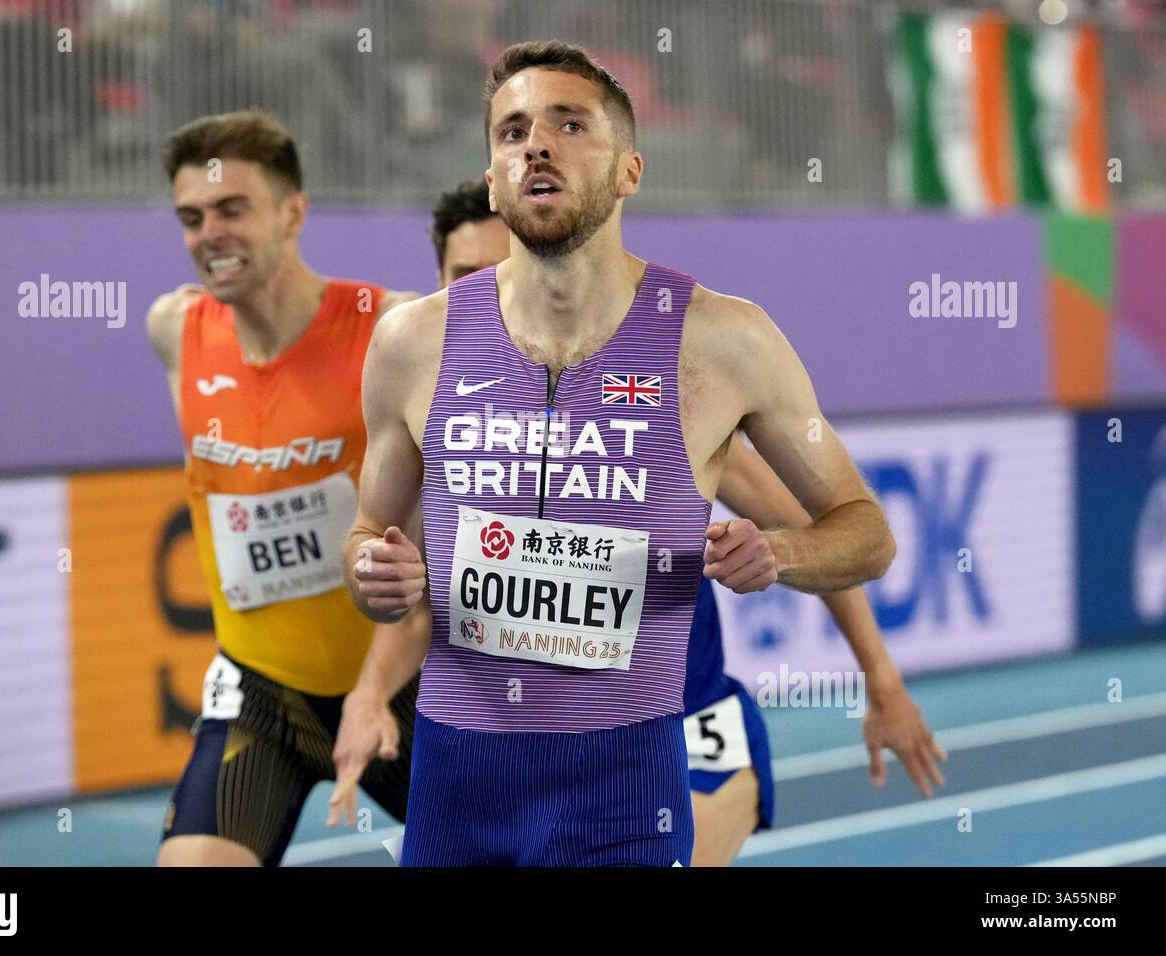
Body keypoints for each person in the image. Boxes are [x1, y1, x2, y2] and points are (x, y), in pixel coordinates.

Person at [343, 42, 898, 867]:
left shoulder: (725, 340)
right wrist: (373, 576)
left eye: (570, 125)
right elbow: (367, 543)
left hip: (622, 790)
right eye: (512, 131)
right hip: (455, 789)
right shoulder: (409, 345)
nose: (537, 145)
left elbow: (867, 534)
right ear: (494, 178)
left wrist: (777, 552)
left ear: (631, 170)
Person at [145, 109, 419, 867]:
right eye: (192, 217)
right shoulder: (174, 331)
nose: (211, 234)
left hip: (402, 685)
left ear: (294, 211)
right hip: (261, 692)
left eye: (233, 209)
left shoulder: (390, 330)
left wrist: (371, 692)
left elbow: (425, 543)